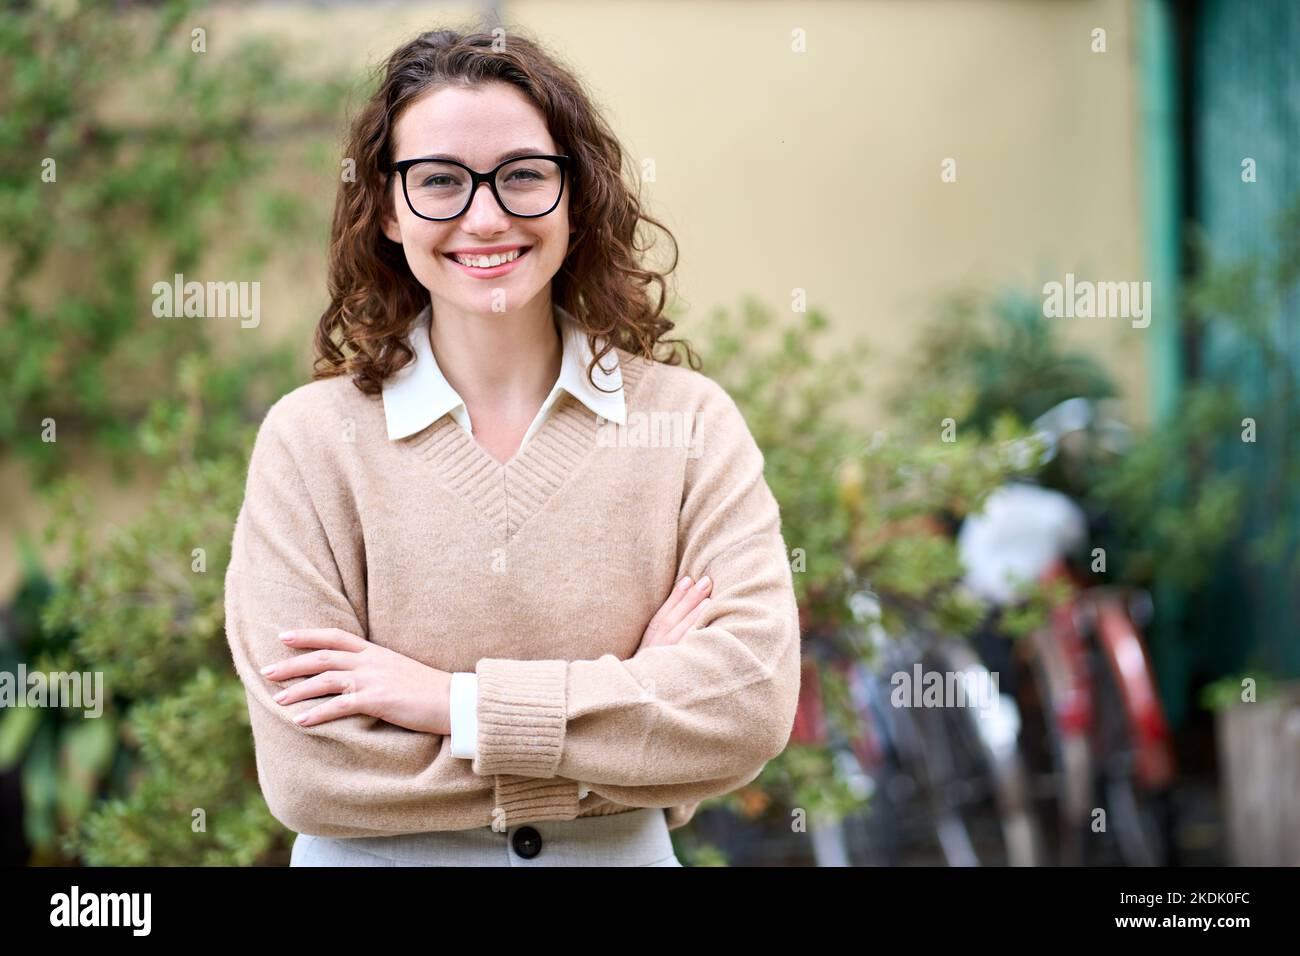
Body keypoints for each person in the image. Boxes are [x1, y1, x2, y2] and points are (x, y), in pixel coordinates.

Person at [223, 26, 802, 867]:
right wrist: (632, 727)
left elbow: (744, 709)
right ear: (386, 207)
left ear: (575, 195)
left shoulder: (689, 427)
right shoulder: (311, 443)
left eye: (524, 175)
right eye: (440, 182)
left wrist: (446, 703)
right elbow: (312, 773)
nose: (485, 216)